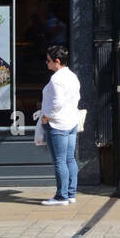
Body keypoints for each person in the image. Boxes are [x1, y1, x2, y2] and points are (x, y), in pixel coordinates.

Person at [39, 44, 80, 206]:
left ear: (57, 61)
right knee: (70, 159)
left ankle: (61, 196)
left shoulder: (56, 79)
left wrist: (47, 117)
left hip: (58, 124)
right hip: (71, 121)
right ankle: (71, 194)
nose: (46, 63)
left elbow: (57, 103)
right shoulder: (72, 76)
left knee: (60, 161)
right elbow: (76, 98)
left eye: (49, 60)